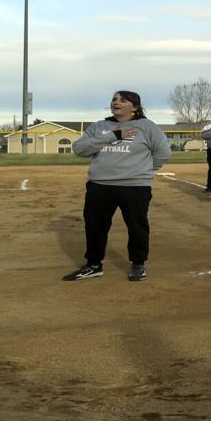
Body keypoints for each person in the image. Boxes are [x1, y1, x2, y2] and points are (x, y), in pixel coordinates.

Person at [62, 90, 171, 282]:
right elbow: (79, 149)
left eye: (122, 100)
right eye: (114, 99)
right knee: (95, 226)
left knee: (137, 226)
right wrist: (112, 136)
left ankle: (138, 264)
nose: (116, 102)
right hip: (99, 185)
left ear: (135, 107)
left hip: (135, 186)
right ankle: (94, 265)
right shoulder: (99, 126)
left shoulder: (146, 126)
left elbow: (163, 153)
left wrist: (142, 171)